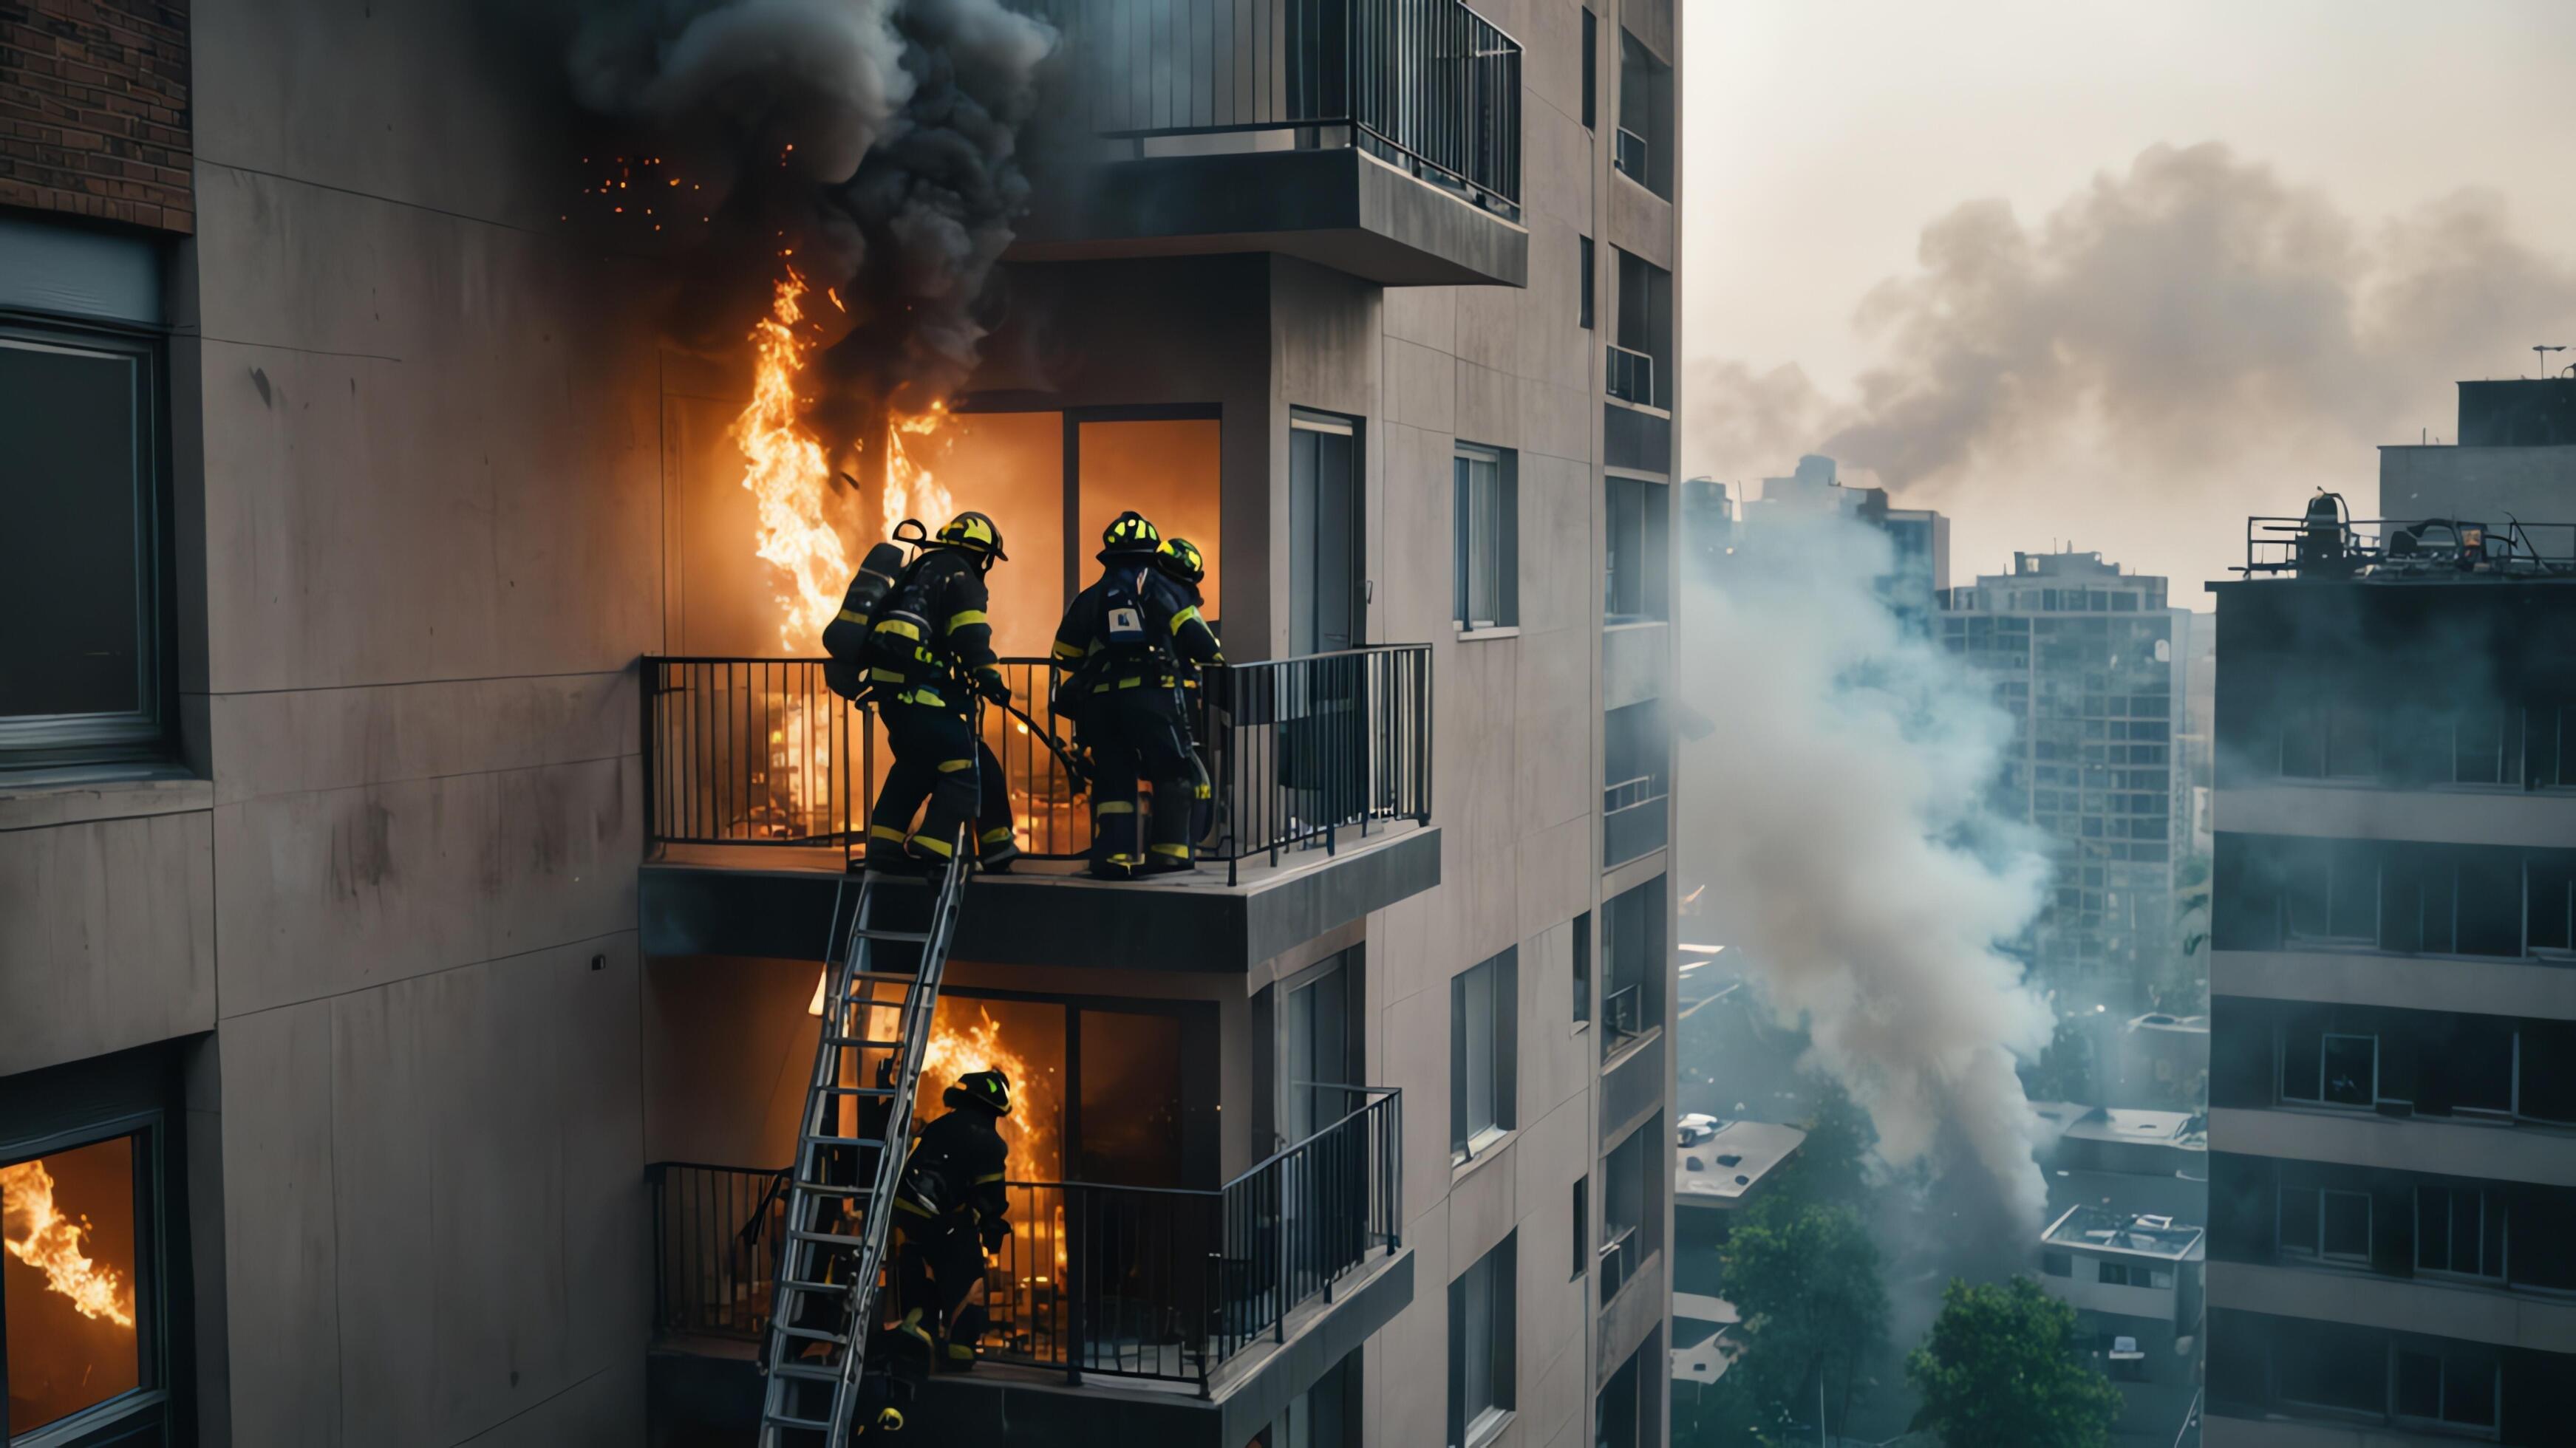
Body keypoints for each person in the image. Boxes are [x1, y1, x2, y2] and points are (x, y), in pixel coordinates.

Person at [1052, 511, 1224, 878]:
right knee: (1173, 769)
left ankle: (1112, 856)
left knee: (1114, 775)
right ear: (1152, 556)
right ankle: (1171, 852)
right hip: (1154, 700)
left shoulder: (1093, 597)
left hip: (1101, 704)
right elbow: (1203, 645)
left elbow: (1064, 655)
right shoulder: (1165, 592)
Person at [859, 511, 1020, 874]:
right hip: (923, 695)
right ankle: (933, 844)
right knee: (964, 765)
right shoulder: (962, 576)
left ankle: (884, 848)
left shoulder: (918, 571)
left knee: (914, 767)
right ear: (980, 554)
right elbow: (970, 634)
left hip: (891, 695)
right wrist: (989, 676)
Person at [890, 1070, 1013, 1373]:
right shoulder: (989, 1141)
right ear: (994, 1108)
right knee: (967, 1281)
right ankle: (959, 1351)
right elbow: (990, 1196)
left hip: (907, 1220)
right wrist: (993, 1228)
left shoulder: (937, 1127)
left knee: (920, 1283)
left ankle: (918, 1344)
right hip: (946, 1224)